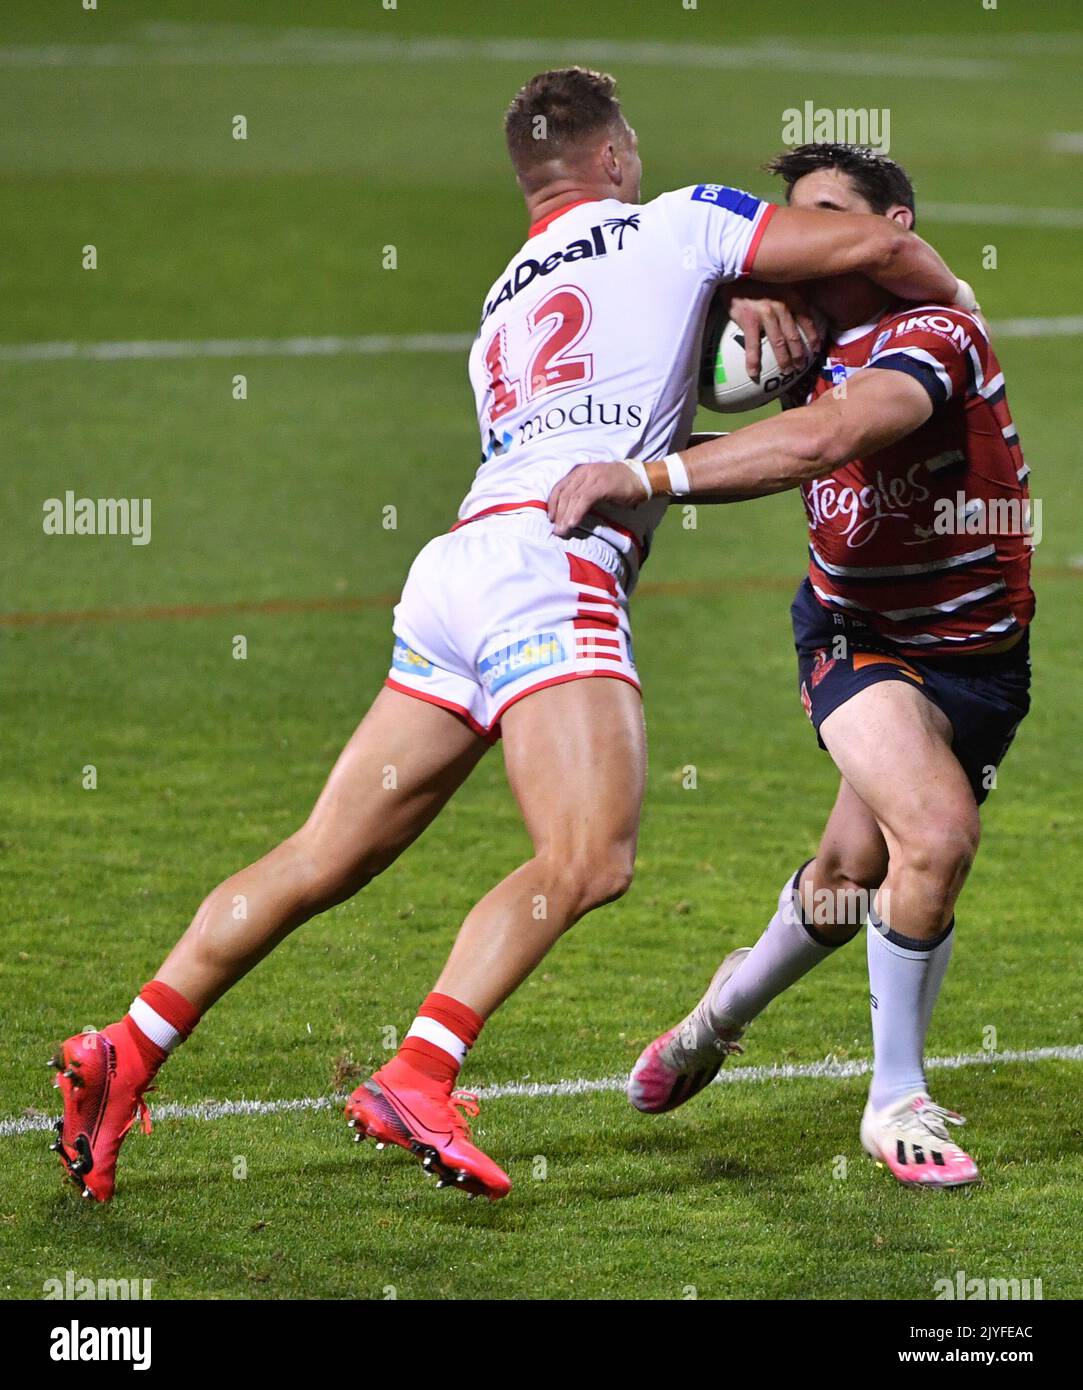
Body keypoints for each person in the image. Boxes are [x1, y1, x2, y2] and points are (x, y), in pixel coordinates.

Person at [52, 84, 970, 1204]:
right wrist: (952, 305)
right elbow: (875, 240)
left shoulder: (501, 301)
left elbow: (619, 413)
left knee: (323, 852)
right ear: (619, 154)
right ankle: (421, 1071)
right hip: (552, 568)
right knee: (590, 855)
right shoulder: (682, 220)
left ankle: (128, 1047)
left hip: (456, 569)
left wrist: (730, 326)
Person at [548, 142, 1033, 1188]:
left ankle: (716, 1015)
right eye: (790, 224)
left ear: (887, 232)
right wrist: (742, 284)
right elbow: (678, 313)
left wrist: (645, 475)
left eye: (825, 219)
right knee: (939, 836)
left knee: (848, 880)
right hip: (856, 638)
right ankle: (895, 1098)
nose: (802, 240)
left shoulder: (936, 336)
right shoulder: (793, 328)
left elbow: (828, 441)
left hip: (984, 660)